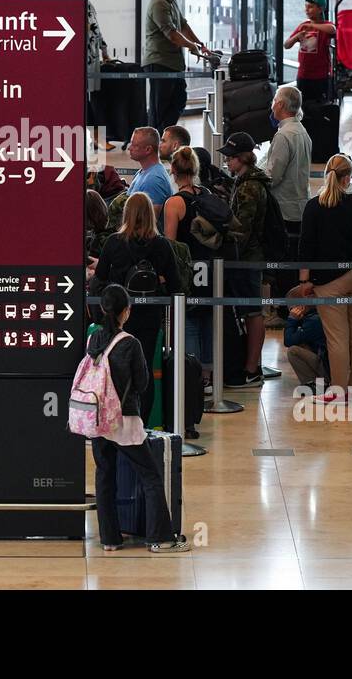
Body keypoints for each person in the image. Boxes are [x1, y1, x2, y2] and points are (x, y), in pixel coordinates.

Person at [87, 283, 189, 553]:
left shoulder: (94, 339)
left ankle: (109, 539)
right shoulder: (130, 343)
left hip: (98, 418)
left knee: (104, 475)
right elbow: (143, 383)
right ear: (126, 312)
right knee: (150, 476)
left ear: (101, 308)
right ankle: (161, 538)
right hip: (124, 419)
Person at [91, 193, 181, 416]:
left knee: (114, 368)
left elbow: (99, 279)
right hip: (150, 316)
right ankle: (141, 422)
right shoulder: (162, 245)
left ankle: (114, 418)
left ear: (126, 214)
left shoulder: (114, 242)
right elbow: (177, 286)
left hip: (118, 317)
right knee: (144, 369)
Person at [298, 154, 352, 401]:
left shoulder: (313, 206)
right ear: (348, 178)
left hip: (328, 282)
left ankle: (339, 391)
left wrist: (304, 280)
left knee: (337, 338)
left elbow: (306, 246)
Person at [219, 131, 272, 387]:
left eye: (231, 158)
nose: (227, 162)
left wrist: (220, 236)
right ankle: (251, 365)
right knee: (250, 311)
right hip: (248, 256)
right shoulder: (245, 181)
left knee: (252, 312)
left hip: (247, 258)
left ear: (242, 158)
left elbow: (243, 228)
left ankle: (252, 369)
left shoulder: (249, 186)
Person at [163, 147, 215, 379]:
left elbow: (170, 244)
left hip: (188, 270)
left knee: (190, 323)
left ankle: (191, 378)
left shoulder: (174, 203)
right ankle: (207, 375)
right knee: (207, 321)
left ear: (173, 170)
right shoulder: (208, 195)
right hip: (211, 268)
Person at [143, 0, 208, 131]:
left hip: (173, 62)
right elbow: (171, 34)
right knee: (160, 108)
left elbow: (183, 25)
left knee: (179, 99)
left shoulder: (170, 0)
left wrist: (199, 44)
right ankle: (156, 140)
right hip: (159, 62)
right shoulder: (158, 4)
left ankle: (163, 137)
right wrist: (191, 45)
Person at [260, 85, 312, 236]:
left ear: (281, 104)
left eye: (275, 100)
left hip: (283, 210)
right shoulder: (302, 131)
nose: (273, 105)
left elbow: (273, 177)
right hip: (300, 206)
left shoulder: (283, 135)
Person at [70, 0, 112, 150]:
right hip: (75, 62)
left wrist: (105, 52)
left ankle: (98, 139)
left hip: (92, 59)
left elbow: (97, 30)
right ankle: (95, 138)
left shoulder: (88, 4)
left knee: (94, 101)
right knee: (83, 102)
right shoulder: (66, 4)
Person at [284, 0, 335, 105]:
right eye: (306, 7)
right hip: (303, 75)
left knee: (320, 106)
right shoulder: (303, 26)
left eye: (311, 7)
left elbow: (333, 29)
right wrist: (297, 37)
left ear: (320, 9)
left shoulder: (325, 25)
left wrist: (312, 25)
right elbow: (286, 45)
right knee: (303, 107)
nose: (307, 10)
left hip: (320, 76)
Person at [284, 283, 328, 389]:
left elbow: (288, 340)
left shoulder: (313, 321)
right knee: (302, 344)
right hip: (329, 362)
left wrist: (292, 319)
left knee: (293, 351)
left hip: (327, 366)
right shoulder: (321, 313)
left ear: (300, 306)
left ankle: (313, 385)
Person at [125, 127, 172, 209]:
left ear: (148, 149)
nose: (129, 148)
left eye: (134, 145)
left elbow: (152, 220)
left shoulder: (153, 180)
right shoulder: (144, 171)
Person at [158, 124, 190, 193]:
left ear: (175, 145)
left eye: (163, 141)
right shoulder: (191, 171)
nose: (159, 145)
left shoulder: (173, 178)